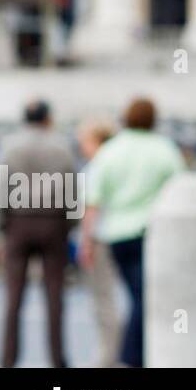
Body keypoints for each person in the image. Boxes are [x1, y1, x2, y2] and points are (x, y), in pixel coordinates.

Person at [80, 98, 186, 368]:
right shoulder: (164, 149)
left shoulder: (110, 151)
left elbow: (93, 201)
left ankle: (133, 354)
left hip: (116, 235)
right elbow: (181, 190)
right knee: (144, 295)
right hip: (155, 234)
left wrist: (87, 241)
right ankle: (132, 355)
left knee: (138, 293)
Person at [0, 99, 77, 368]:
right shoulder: (61, 146)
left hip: (18, 222)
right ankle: (58, 359)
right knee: (55, 296)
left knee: (13, 297)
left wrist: (1, 227)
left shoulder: (8, 146)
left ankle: (7, 360)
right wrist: (69, 225)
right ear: (47, 118)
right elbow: (72, 188)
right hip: (53, 222)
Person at [76, 119, 121, 368]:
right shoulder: (117, 164)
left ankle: (108, 356)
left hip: (100, 238)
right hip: (118, 235)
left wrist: (86, 243)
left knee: (103, 300)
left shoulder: (97, 167)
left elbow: (91, 208)